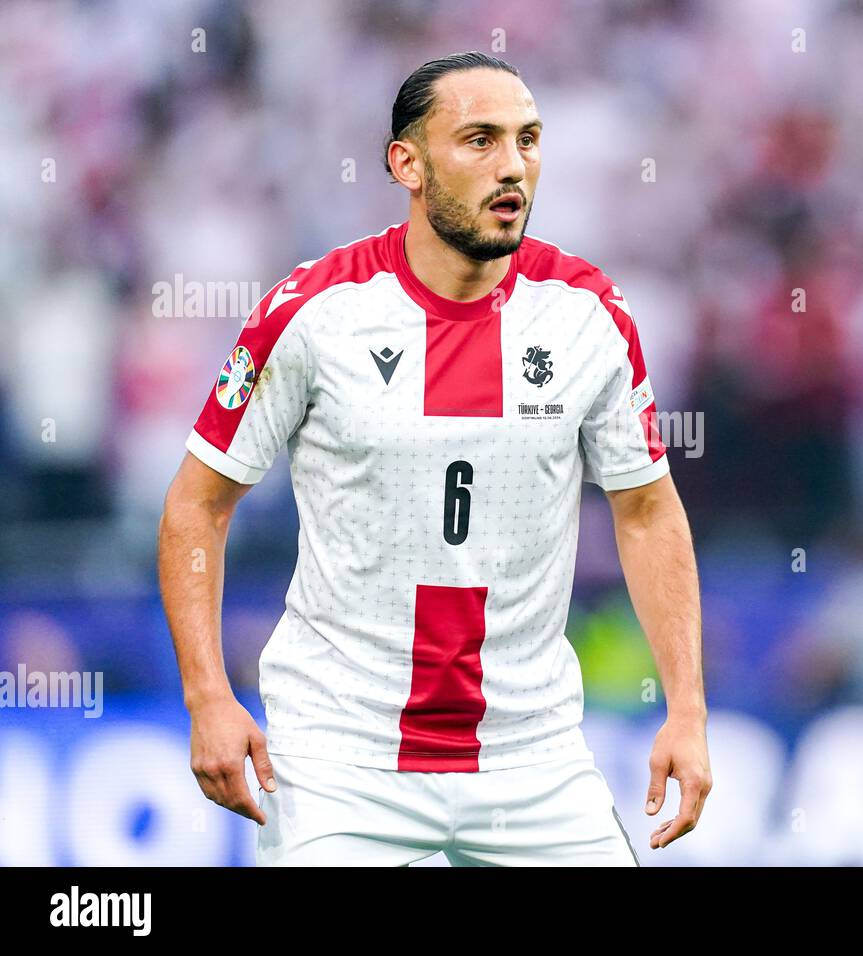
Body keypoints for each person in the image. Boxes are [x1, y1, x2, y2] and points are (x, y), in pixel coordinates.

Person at [157, 51, 710, 866]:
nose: (513, 166)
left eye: (528, 140)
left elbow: (647, 507)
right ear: (407, 164)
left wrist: (687, 709)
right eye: (480, 140)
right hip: (341, 754)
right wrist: (208, 694)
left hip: (532, 756)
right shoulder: (313, 314)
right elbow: (196, 506)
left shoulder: (588, 314)